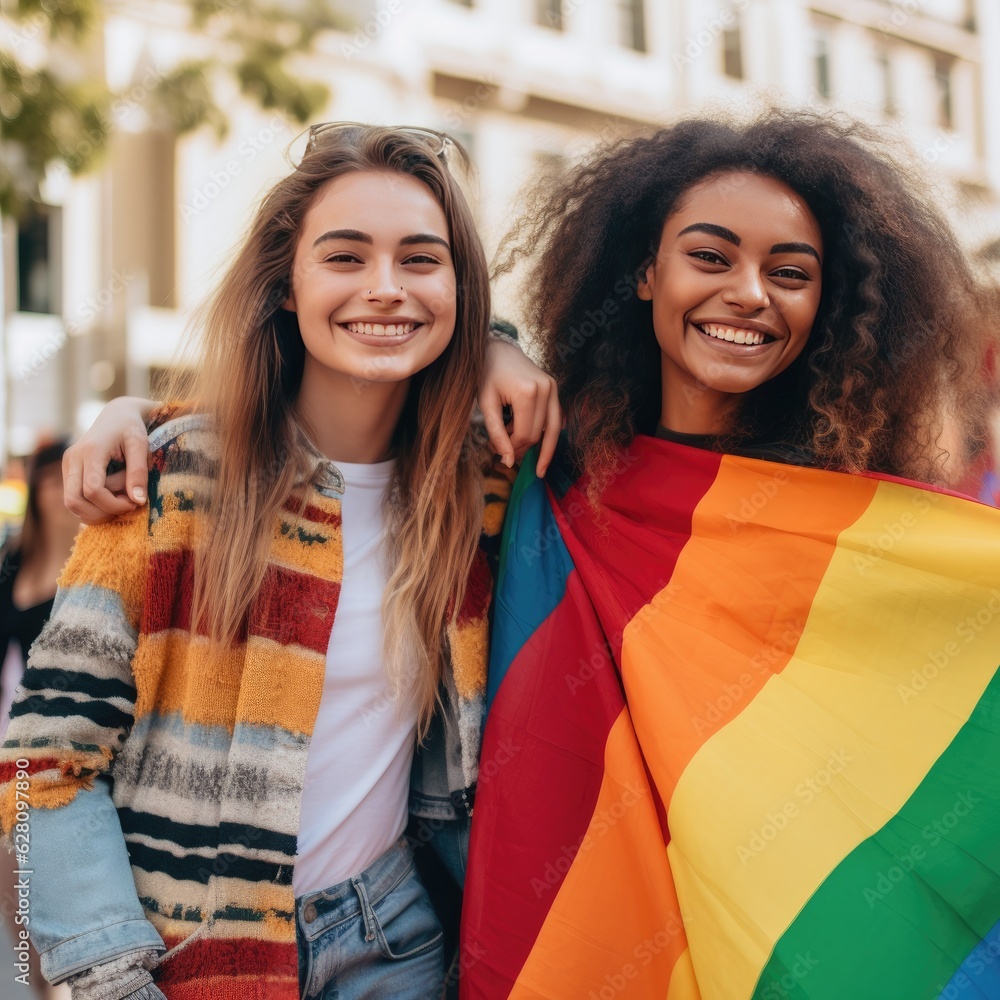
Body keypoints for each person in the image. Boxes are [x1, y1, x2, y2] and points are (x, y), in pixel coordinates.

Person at [0, 123, 559, 1000]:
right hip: (178, 959)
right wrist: (102, 976)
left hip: (397, 947)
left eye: (422, 259)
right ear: (285, 289)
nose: (385, 286)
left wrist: (499, 341)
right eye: (344, 257)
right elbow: (35, 771)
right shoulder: (171, 480)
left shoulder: (480, 498)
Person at [461, 109, 1000, 998]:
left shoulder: (855, 533)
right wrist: (484, 346)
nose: (750, 293)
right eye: (710, 258)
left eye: (789, 273)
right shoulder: (548, 467)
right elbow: (326, 446)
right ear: (643, 272)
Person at [0, 440, 77, 1000]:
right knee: (17, 897)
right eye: (44, 480)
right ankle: (40, 992)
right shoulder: (11, 564)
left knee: (59, 893)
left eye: (61, 479)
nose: (54, 491)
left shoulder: (87, 571)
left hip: (60, 757)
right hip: (9, 752)